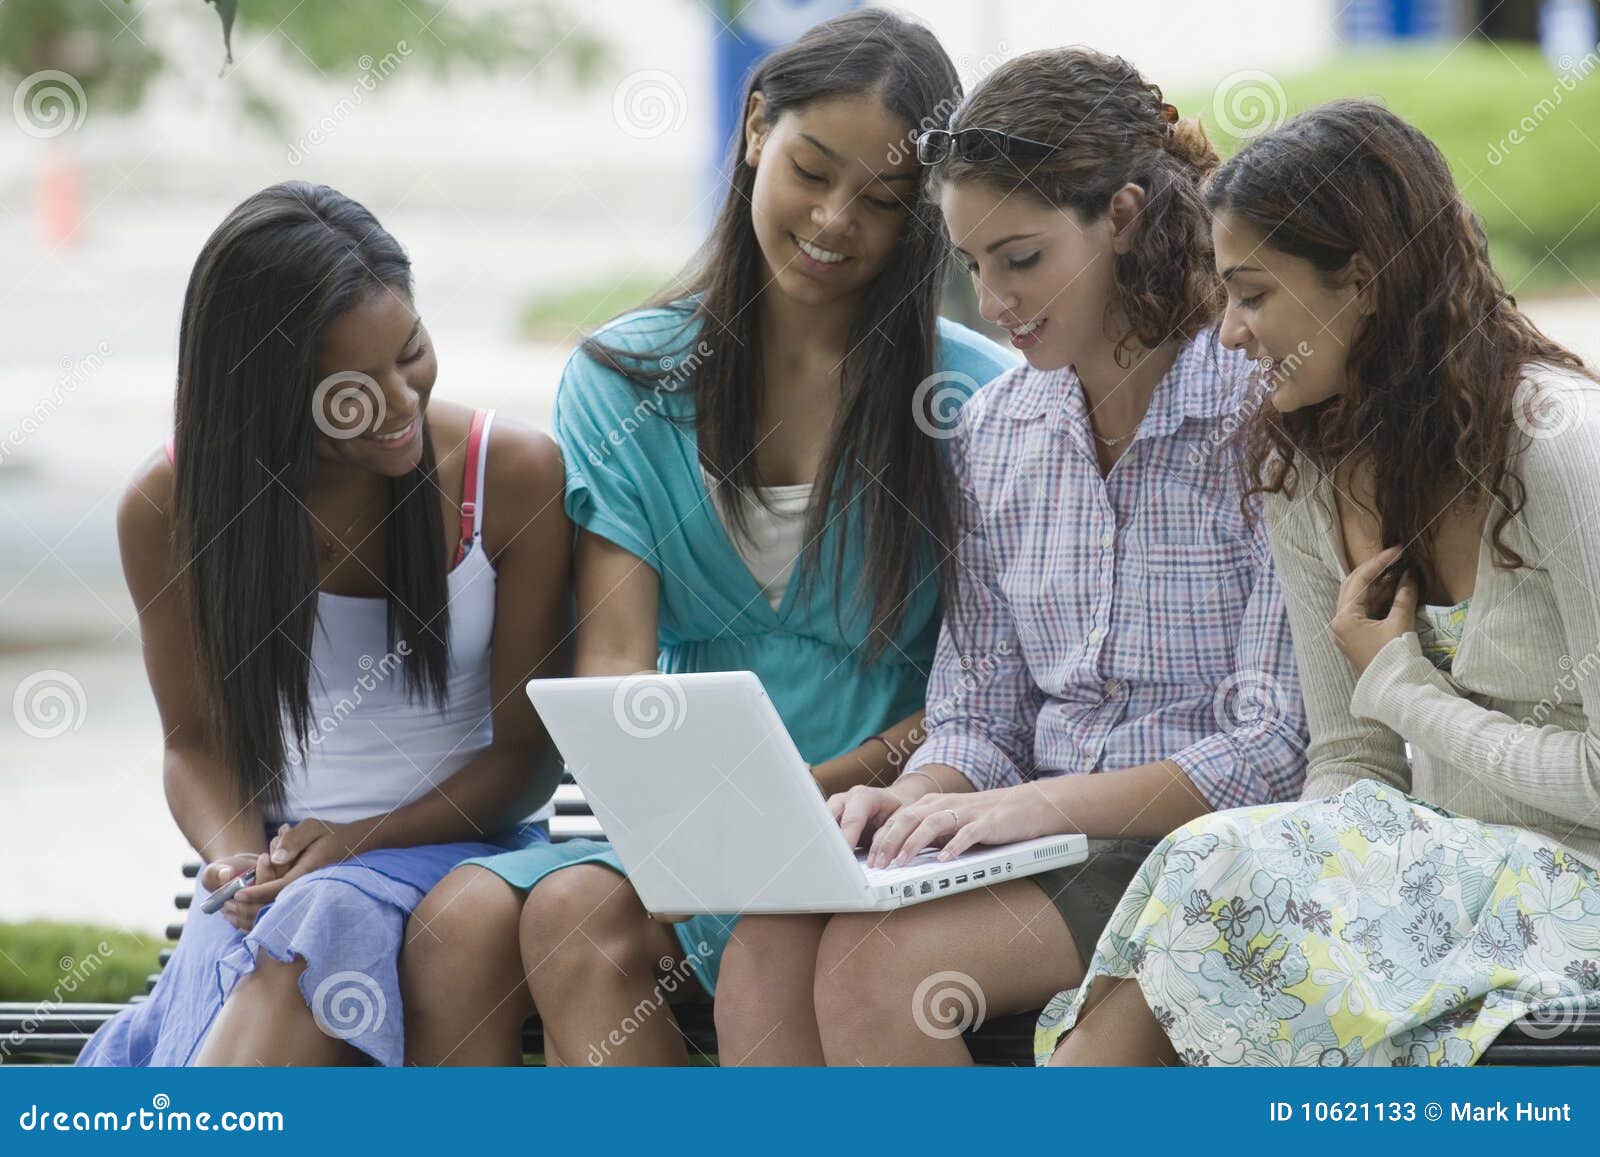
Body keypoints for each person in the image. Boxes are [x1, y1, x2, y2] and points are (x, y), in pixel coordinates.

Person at [400, 10, 1016, 1066]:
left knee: (789, 943)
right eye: (811, 171)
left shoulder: (976, 400)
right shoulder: (625, 378)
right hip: (679, 805)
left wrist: (822, 789)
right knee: (530, 917)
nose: (833, 221)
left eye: (881, 201)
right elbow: (614, 660)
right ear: (752, 129)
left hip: (889, 812)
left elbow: (989, 689)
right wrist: (684, 817)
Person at [715, 47, 1308, 1066]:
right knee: (765, 938)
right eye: (971, 264)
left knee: (874, 964)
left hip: (1212, 854)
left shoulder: (1260, 412)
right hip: (1040, 842)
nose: (991, 299)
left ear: (1120, 217)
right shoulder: (992, 431)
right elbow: (980, 714)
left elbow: (1268, 749)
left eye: (1020, 258)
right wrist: (917, 800)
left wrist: (1019, 806)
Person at [1045, 100, 1600, 1068]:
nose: (1225, 334)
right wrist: (1302, 904)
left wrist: (1403, 684)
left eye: (1251, 295)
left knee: (1213, 869)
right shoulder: (1303, 471)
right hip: (1436, 878)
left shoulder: (1558, 447)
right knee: (1213, 914)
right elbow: (1350, 763)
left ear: (1364, 282)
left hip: (1575, 888)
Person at [77, 182, 568, 1067]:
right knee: (302, 929)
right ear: (261, 397)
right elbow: (194, 744)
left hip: (459, 851)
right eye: (350, 386)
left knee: (322, 923)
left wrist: (355, 845)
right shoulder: (170, 506)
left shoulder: (511, 477)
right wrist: (235, 864)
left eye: (411, 352)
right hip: (282, 876)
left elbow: (523, 761)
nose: (399, 400)